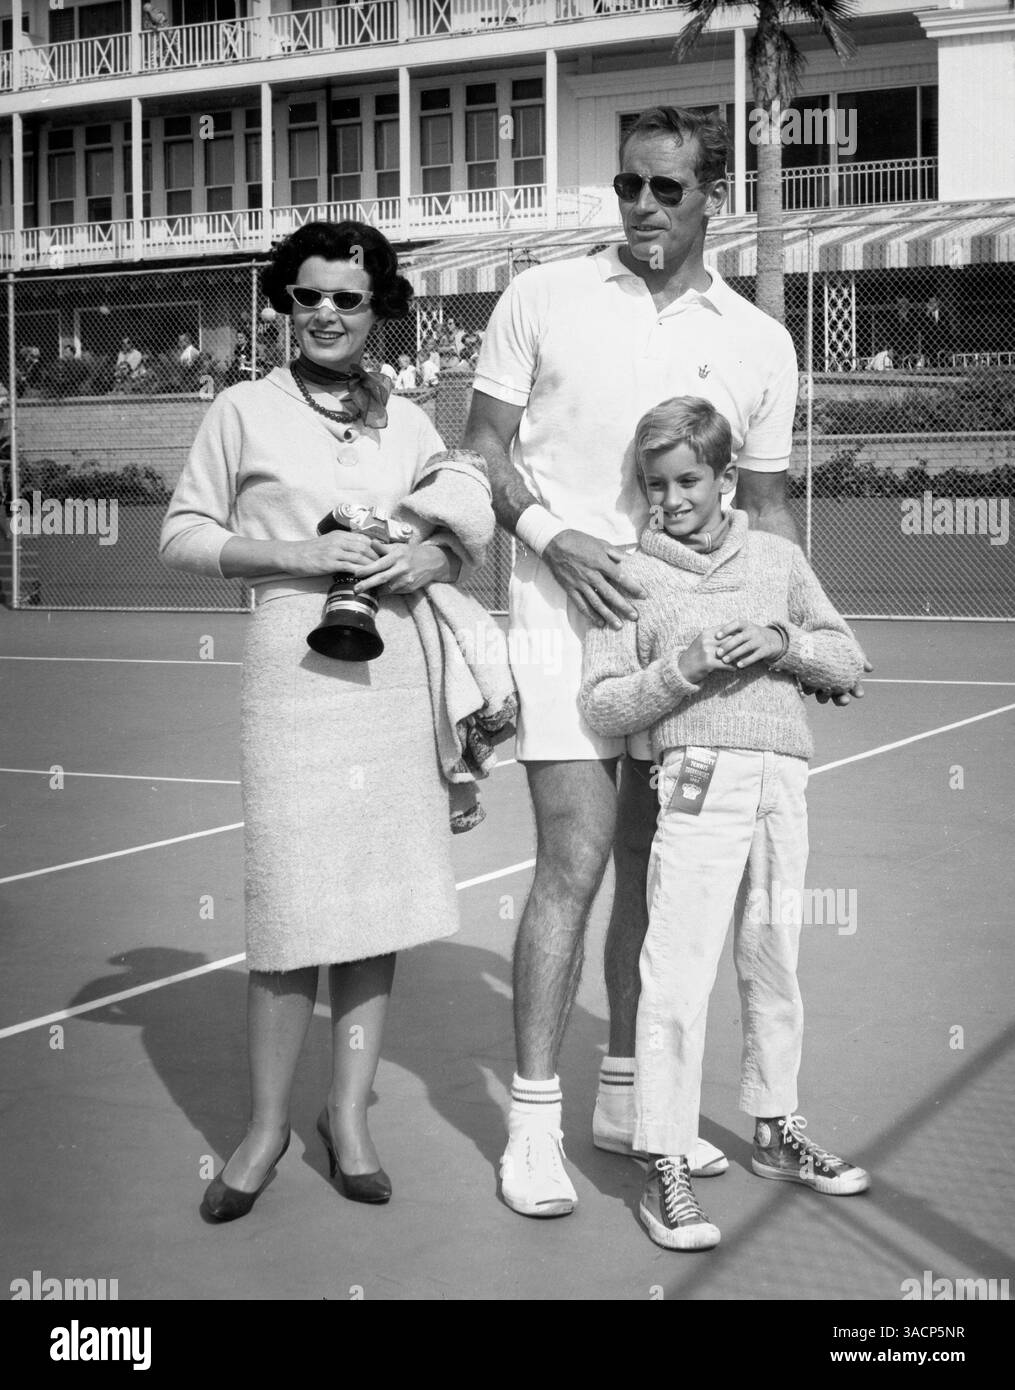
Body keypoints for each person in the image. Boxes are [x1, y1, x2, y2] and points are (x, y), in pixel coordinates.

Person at [464, 104, 867, 1218]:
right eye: (629, 185)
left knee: (654, 871)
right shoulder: (540, 295)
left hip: (696, 654)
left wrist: (788, 639)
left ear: (712, 197)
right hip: (560, 621)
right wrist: (552, 537)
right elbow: (483, 445)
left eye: (669, 189)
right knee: (577, 859)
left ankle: (623, 1094)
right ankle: (533, 1125)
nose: (643, 208)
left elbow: (772, 507)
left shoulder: (759, 339)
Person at [160, 220, 480, 1221]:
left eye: (347, 296)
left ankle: (348, 1118)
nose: (327, 314)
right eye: (307, 297)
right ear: (283, 305)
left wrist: (429, 554)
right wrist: (301, 556)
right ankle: (264, 1130)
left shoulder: (410, 420)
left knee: (372, 905)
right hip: (293, 667)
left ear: (376, 305)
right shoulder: (242, 410)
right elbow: (181, 537)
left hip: (393, 675)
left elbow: (459, 511)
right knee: (290, 906)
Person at [580, 396, 870, 1250]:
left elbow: (847, 660)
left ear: (725, 477)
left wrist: (780, 641)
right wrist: (683, 668)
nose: (667, 500)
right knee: (675, 972)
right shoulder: (628, 573)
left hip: (783, 778)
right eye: (652, 485)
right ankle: (663, 1160)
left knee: (773, 960)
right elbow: (602, 703)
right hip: (695, 778)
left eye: (685, 482)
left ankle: (776, 1132)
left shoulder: (778, 558)